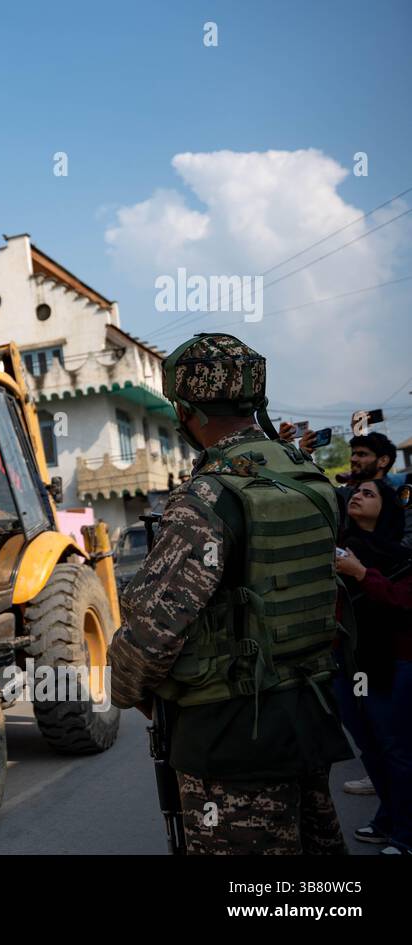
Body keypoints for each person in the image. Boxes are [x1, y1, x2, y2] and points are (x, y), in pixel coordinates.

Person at [108, 333, 351, 855]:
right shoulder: (309, 479)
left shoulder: (208, 497)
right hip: (308, 714)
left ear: (187, 410)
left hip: (232, 737)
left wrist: (126, 687)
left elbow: (151, 634)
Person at [334, 479, 412, 855]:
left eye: (370, 493)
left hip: (391, 664)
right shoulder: (339, 548)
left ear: (388, 510)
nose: (359, 496)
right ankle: (390, 818)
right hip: (354, 666)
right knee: (369, 744)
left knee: (394, 746)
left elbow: (402, 601)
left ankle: (407, 832)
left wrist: (362, 574)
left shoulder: (401, 555)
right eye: (357, 492)